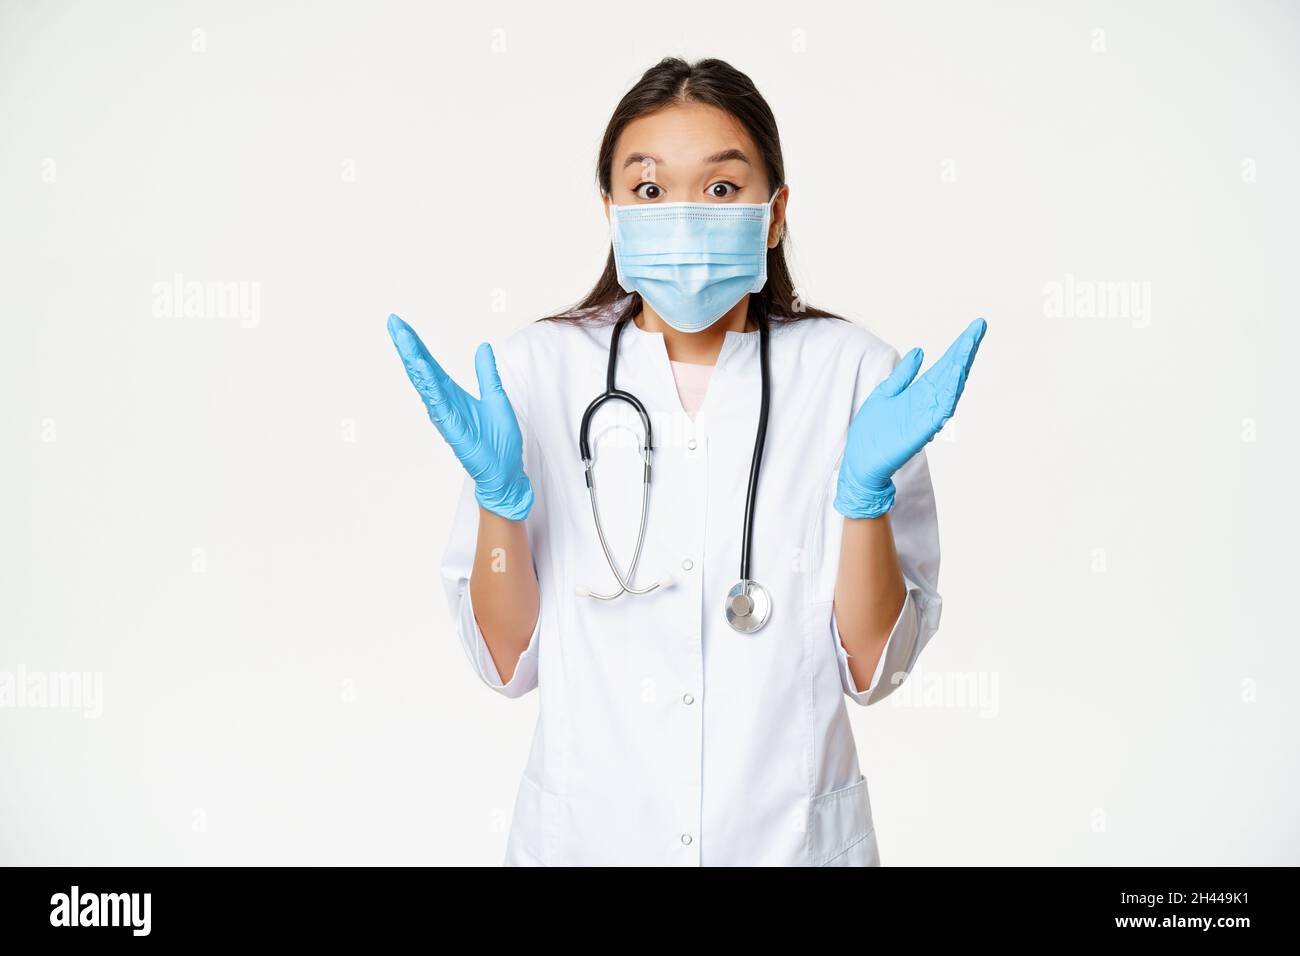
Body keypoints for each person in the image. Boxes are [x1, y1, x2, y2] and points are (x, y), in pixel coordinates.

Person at [387, 57, 986, 866]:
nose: (682, 214)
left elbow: (874, 668)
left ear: (774, 214)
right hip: (589, 843)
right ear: (610, 210)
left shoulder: (853, 376)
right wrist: (502, 501)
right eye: (648, 189)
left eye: (719, 189)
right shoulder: (537, 373)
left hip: (789, 843)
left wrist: (864, 500)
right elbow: (505, 661)